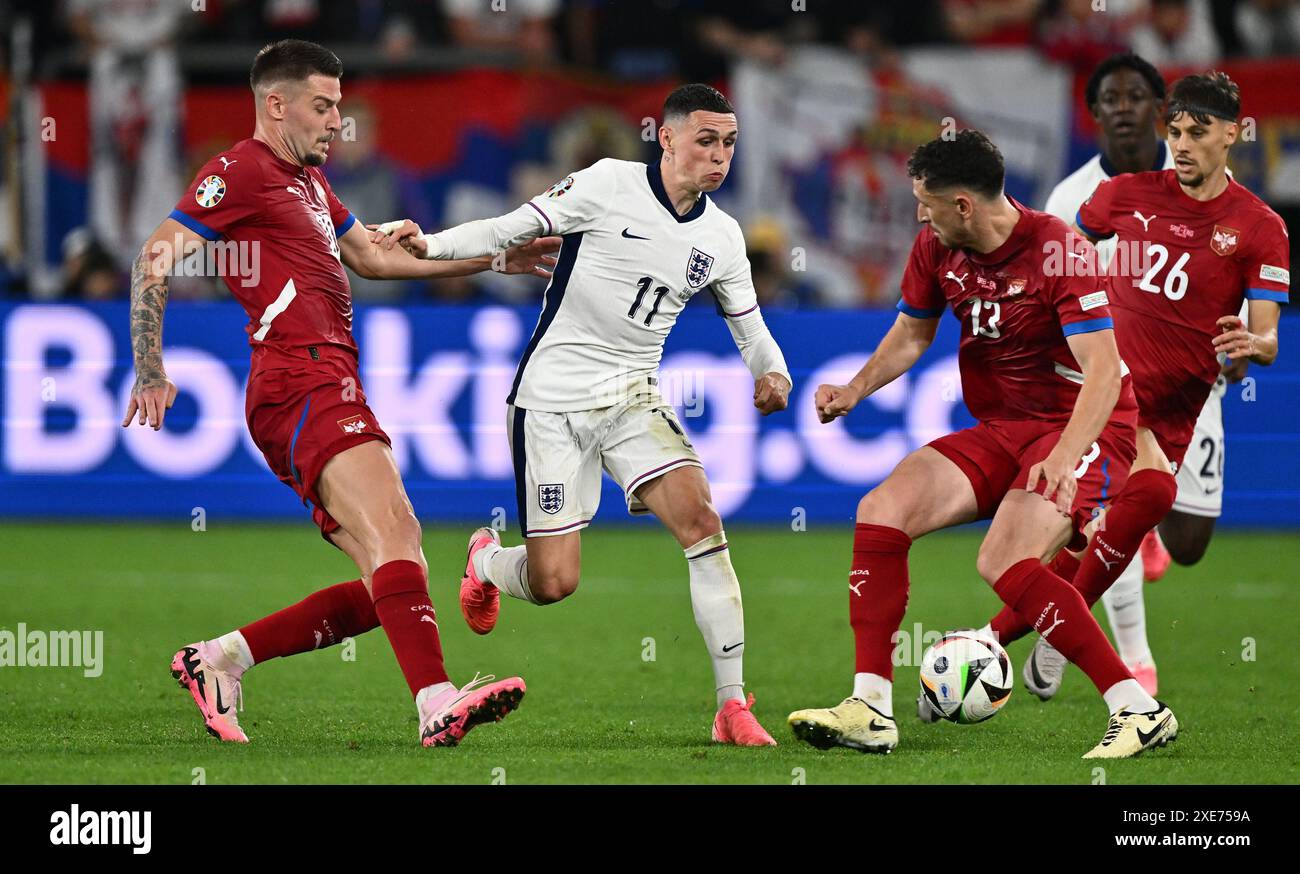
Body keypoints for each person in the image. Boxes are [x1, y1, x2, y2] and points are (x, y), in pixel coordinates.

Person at [123, 40, 559, 748]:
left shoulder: (309, 184)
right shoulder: (240, 171)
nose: (337, 122)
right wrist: (150, 367)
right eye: (323, 106)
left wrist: (498, 258)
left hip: (324, 379)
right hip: (299, 377)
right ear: (276, 104)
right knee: (397, 534)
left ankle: (221, 658)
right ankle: (436, 703)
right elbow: (155, 254)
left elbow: (376, 256)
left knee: (394, 574)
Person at [375, 84, 793, 746]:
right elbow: (508, 227)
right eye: (706, 140)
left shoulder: (723, 236)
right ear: (668, 138)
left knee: (702, 520)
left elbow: (752, 328)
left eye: (730, 143)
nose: (719, 156)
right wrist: (428, 244)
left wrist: (772, 372)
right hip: (552, 400)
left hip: (633, 398)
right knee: (554, 582)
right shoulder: (605, 185)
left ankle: (731, 706)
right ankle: (485, 564)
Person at [785, 130, 1178, 759]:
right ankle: (870, 707)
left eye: (926, 202)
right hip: (1003, 429)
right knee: (880, 511)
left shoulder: (1059, 251)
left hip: (1085, 425)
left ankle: (1136, 709)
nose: (919, 214)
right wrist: (856, 388)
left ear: (963, 204)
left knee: (1002, 561)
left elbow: (1104, 372)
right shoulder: (935, 247)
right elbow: (913, 335)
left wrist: (1062, 457)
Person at [1000, 71, 1288, 695]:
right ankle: (997, 647)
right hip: (1112, 394)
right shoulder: (1124, 194)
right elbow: (1062, 251)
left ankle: (1025, 632)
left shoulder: (1260, 226)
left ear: (1233, 134)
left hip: (1186, 404)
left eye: (1197, 132)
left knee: (1178, 540)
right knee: (1100, 519)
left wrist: (1250, 344)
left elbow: (1266, 336)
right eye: (1176, 131)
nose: (1181, 144)